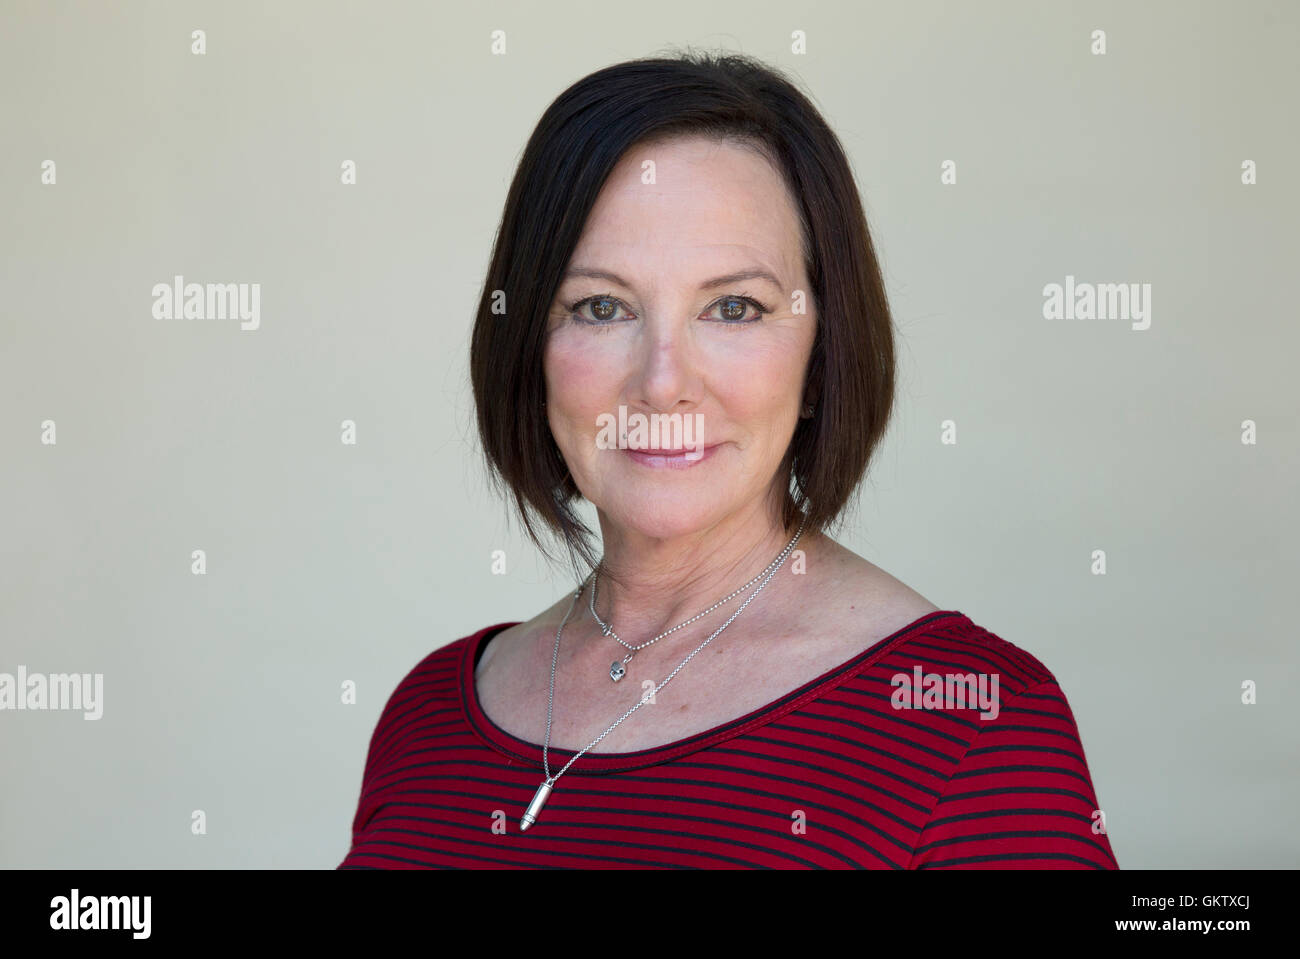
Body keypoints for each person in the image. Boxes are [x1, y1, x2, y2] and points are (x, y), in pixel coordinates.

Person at [339, 49, 1118, 869]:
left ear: (821, 358)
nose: (663, 381)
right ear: (529, 344)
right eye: (601, 307)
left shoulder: (979, 728)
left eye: (734, 307)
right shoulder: (426, 716)